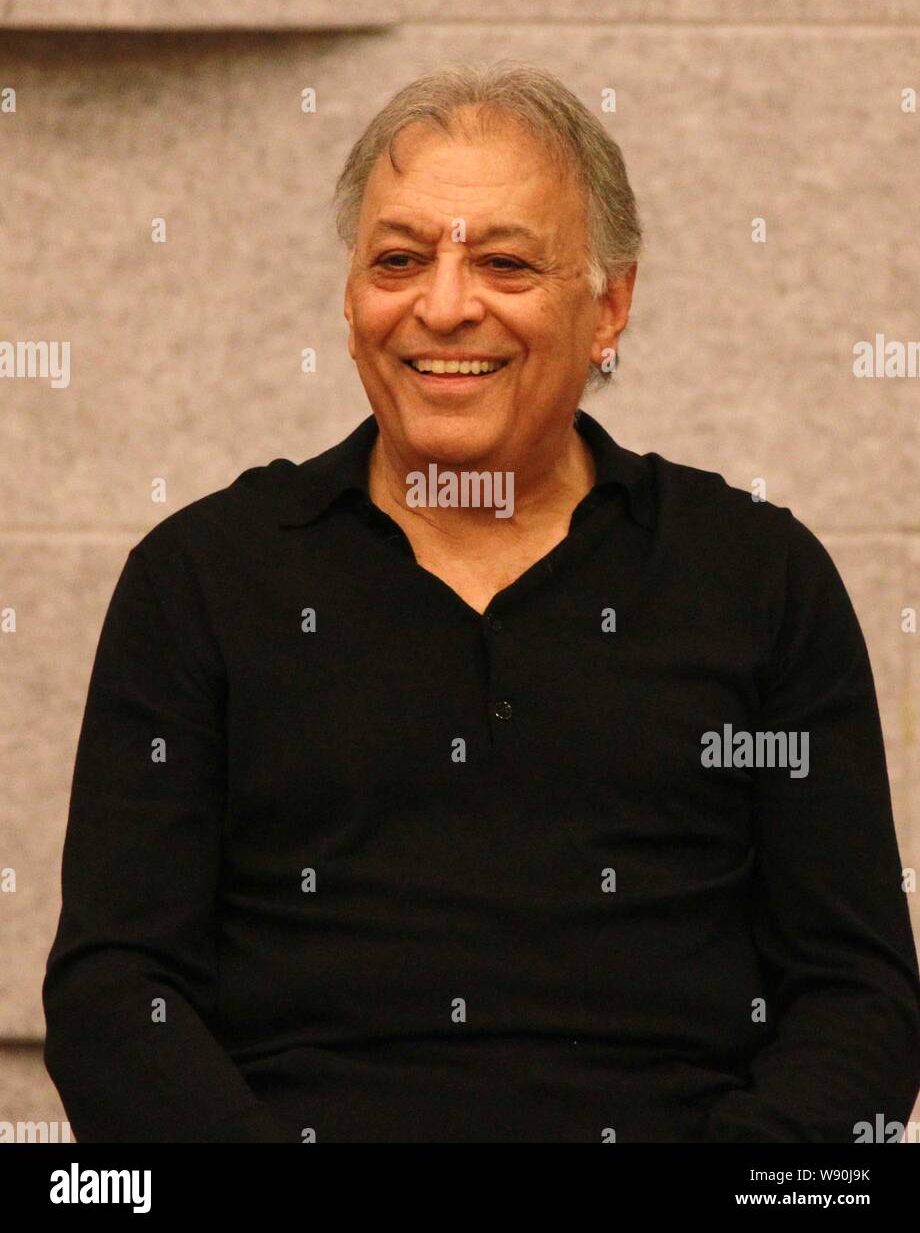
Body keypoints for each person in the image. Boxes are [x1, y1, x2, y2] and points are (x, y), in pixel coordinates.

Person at [43, 61, 920, 1142]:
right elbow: (114, 993)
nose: (443, 306)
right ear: (351, 296)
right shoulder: (203, 580)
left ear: (609, 306)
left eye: (503, 262)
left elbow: (857, 1000)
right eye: (398, 260)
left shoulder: (757, 579)